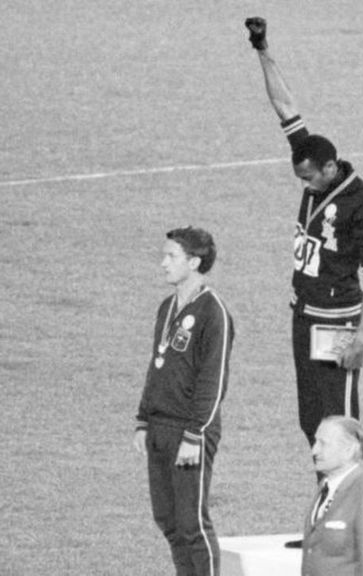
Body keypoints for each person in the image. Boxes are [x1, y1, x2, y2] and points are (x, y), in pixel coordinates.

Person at [243, 17, 363, 449]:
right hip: (303, 315)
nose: (304, 186)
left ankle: (351, 507)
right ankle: (327, 499)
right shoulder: (312, 158)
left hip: (338, 322)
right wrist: (262, 48)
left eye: (309, 179)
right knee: (311, 423)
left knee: (340, 425)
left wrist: (362, 336)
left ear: (330, 167)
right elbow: (285, 106)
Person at [133, 226, 235, 576]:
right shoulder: (167, 307)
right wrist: (143, 420)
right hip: (160, 426)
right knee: (168, 521)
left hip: (190, 432)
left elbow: (214, 379)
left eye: (171, 256)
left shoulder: (213, 312)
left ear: (194, 262)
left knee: (192, 523)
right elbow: (156, 364)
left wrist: (195, 435)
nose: (163, 263)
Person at [301, 416, 363, 576]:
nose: (314, 450)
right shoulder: (325, 486)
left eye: (323, 444)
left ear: (348, 450)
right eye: (316, 442)